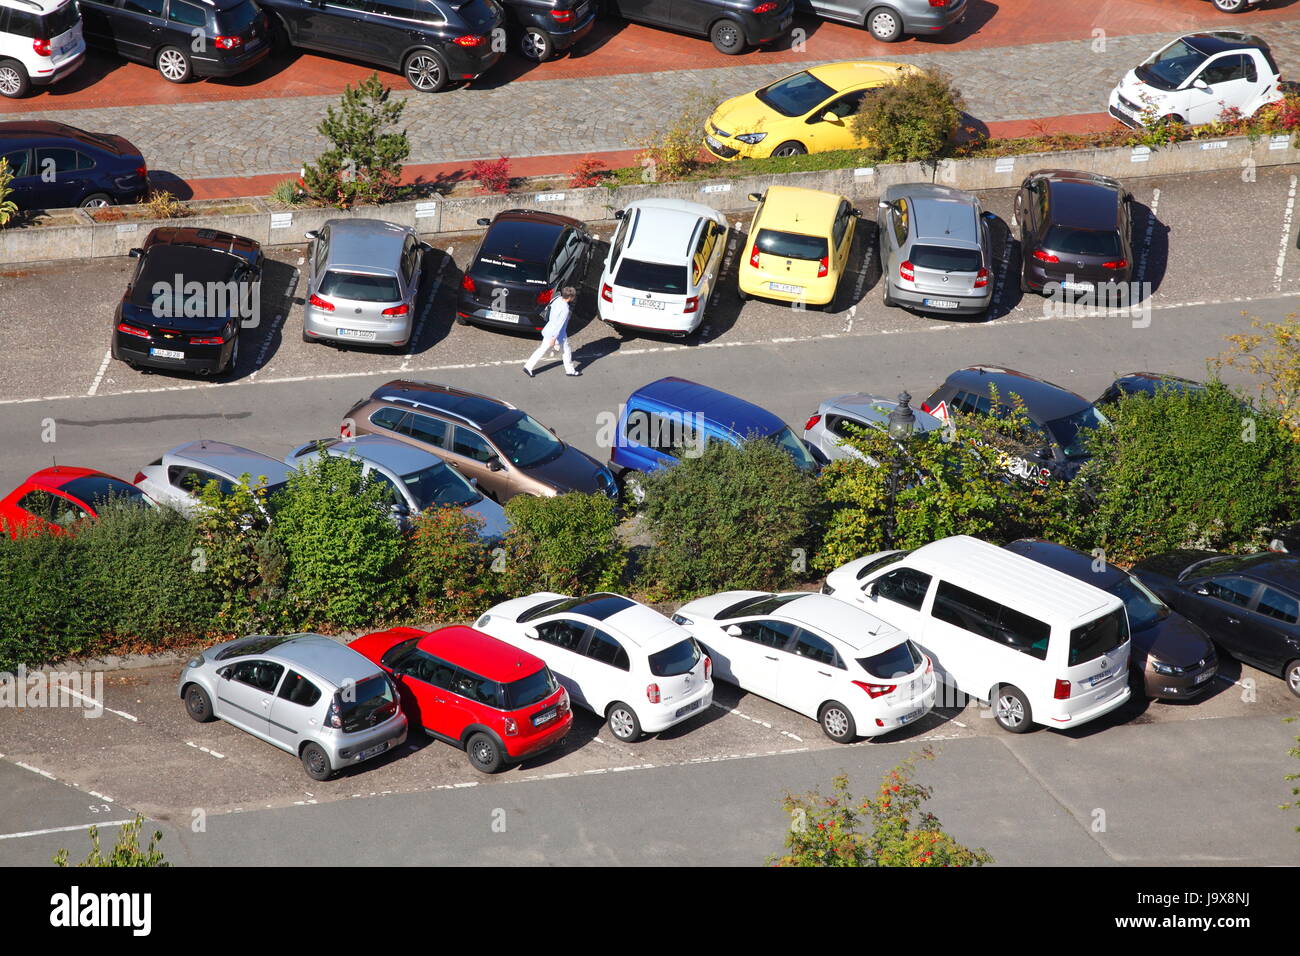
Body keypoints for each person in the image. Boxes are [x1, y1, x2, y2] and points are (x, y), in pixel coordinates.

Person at [524, 286, 580, 378]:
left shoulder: (557, 298)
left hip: (549, 328)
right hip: (558, 334)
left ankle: (528, 366)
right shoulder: (565, 309)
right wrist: (554, 339)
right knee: (566, 350)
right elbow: (559, 325)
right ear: (570, 297)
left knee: (543, 349)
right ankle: (570, 370)